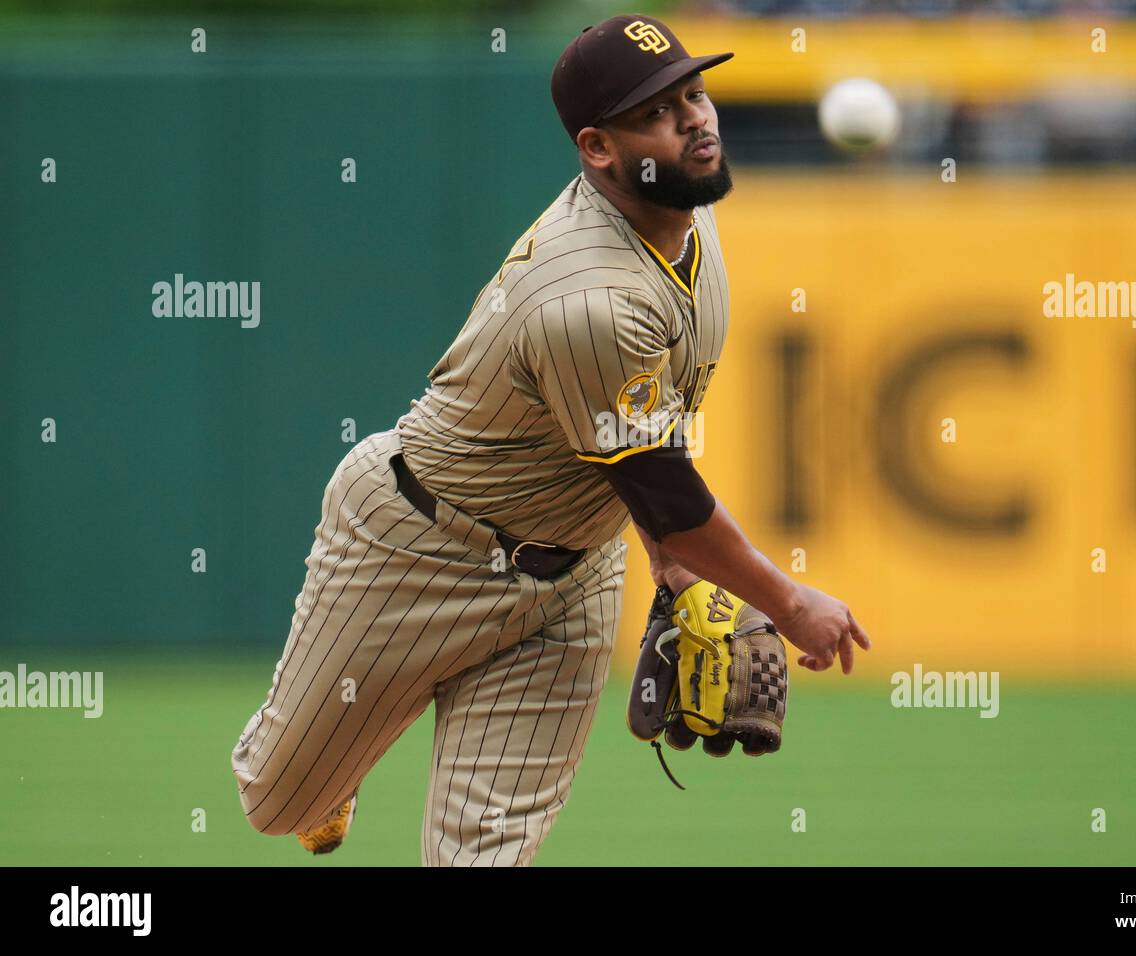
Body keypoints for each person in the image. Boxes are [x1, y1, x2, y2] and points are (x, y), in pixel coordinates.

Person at [231, 12, 869, 867]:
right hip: (416, 548)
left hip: (569, 580)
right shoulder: (587, 297)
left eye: (695, 92)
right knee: (277, 802)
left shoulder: (689, 215)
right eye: (657, 112)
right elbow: (668, 495)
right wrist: (788, 606)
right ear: (599, 148)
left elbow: (646, 441)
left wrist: (672, 566)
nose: (694, 120)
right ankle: (339, 757)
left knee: (485, 858)